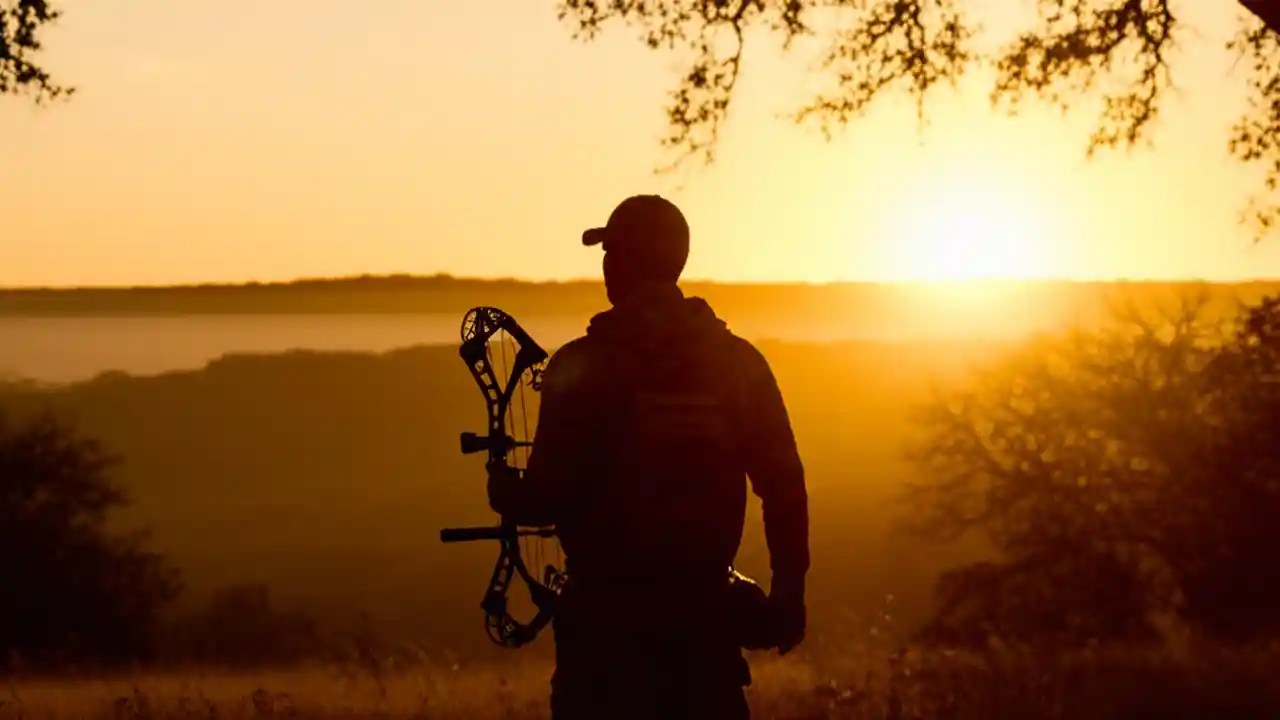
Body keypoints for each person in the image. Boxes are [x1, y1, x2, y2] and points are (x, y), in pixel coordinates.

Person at [487, 195, 809, 720]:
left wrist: (502, 490)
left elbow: (541, 500)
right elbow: (785, 486)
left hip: (603, 647)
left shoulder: (581, 366)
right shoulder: (738, 364)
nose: (606, 268)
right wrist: (788, 598)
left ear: (622, 264)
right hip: (706, 637)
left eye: (610, 254)